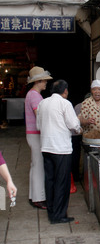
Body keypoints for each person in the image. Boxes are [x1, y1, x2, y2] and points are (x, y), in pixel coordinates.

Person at [36, 79, 82, 224]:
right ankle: (59, 215)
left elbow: (38, 125)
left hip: (46, 147)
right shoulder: (65, 103)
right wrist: (79, 127)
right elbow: (73, 124)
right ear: (65, 91)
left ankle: (51, 211)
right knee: (62, 181)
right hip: (61, 148)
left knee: (50, 180)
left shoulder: (42, 103)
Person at [25, 66, 52, 210]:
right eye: (45, 81)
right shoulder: (35, 95)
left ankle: (33, 196)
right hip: (36, 135)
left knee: (34, 165)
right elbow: (39, 116)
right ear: (39, 81)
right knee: (39, 166)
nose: (46, 83)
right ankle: (39, 198)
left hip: (32, 134)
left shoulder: (31, 94)